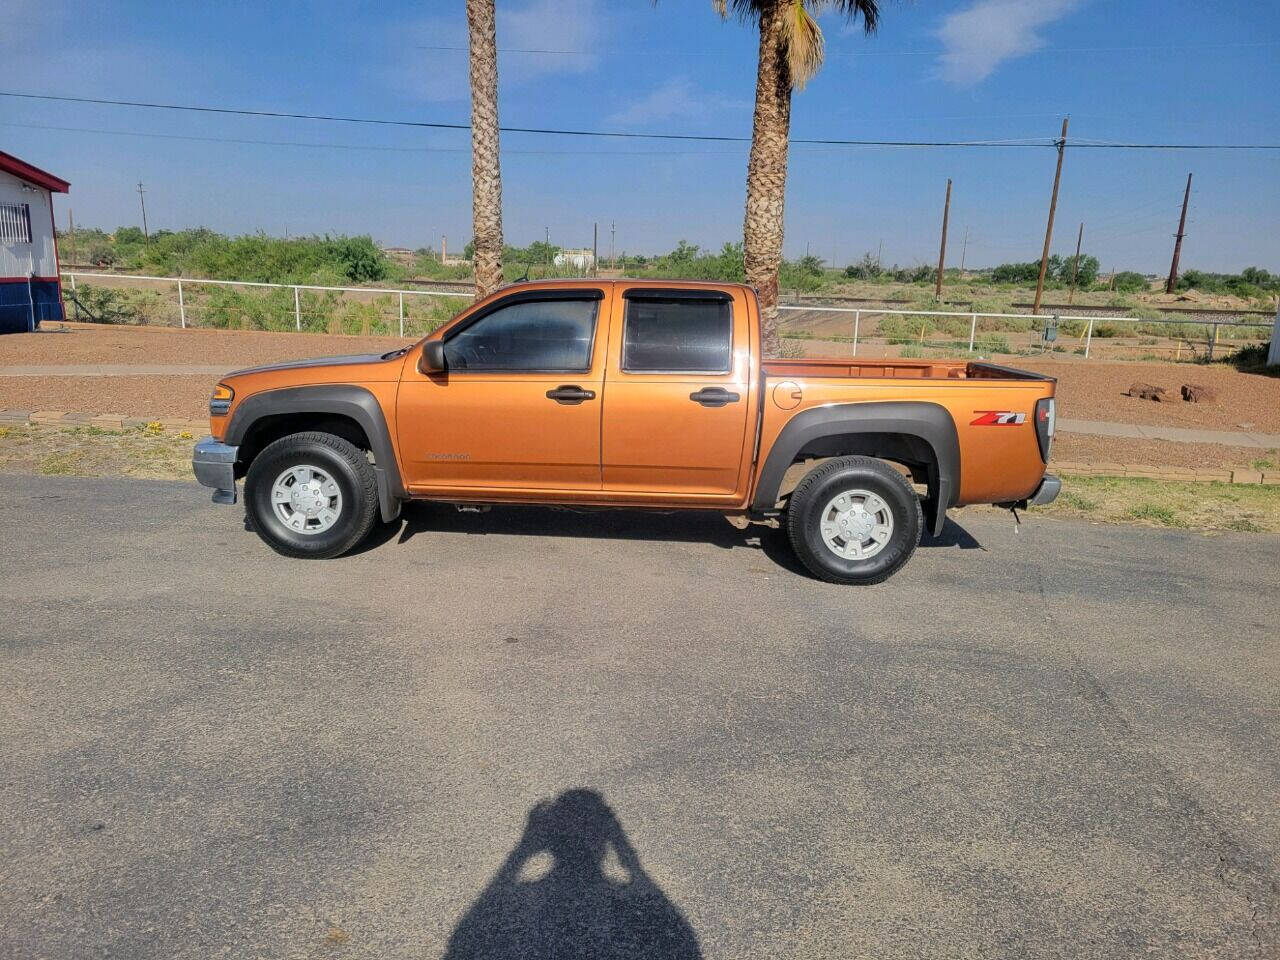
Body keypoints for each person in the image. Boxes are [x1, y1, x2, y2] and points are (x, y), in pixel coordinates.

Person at [445, 789, 701, 959]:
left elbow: (463, 944)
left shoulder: (518, 906)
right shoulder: (631, 910)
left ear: (546, 841)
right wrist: (630, 861)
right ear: (604, 843)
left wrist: (521, 852)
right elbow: (683, 944)